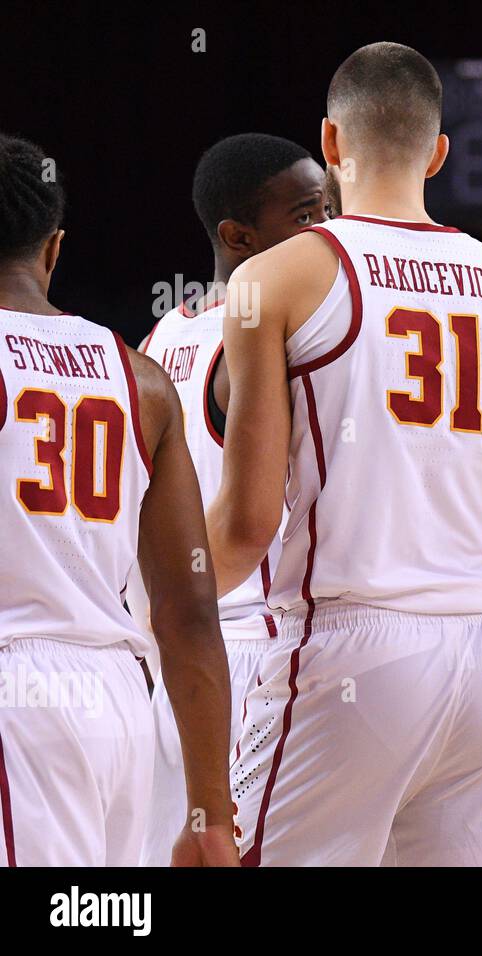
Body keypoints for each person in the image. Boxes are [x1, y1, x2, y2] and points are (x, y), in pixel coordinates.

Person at [206, 43, 482, 865]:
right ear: (439, 152)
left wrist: (142, 602)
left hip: (351, 652)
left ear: (330, 143)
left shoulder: (271, 281)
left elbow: (247, 522)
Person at [0, 132, 236, 865]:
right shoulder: (143, 381)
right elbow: (190, 613)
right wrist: (208, 811)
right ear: (54, 249)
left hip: (15, 701)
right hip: (116, 704)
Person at [134, 133, 326, 866]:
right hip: (254, 648)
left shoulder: (161, 336)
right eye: (307, 214)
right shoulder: (270, 333)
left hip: (174, 656)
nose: (328, 231)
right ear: (239, 236)